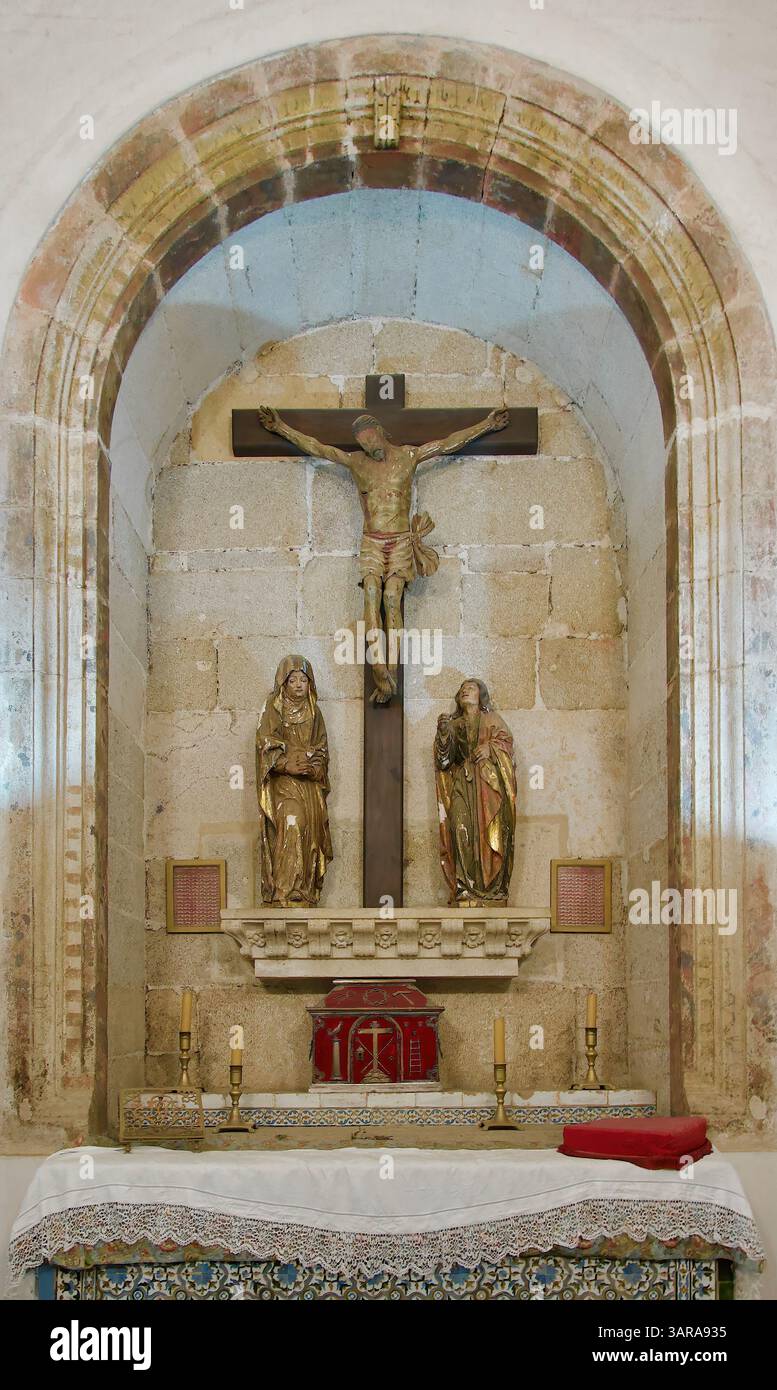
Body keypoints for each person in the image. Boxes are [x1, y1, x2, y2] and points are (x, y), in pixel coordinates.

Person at [258, 404, 508, 702]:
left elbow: (446, 444)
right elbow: (319, 448)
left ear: (380, 433)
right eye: (363, 444)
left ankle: (390, 671)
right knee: (371, 592)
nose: (368, 448)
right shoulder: (356, 463)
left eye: (371, 441)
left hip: (401, 539)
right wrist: (280, 428)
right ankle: (378, 667)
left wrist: (487, 425)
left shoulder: (408, 457)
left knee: (392, 598)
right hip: (372, 541)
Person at [256, 655, 332, 905]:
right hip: (284, 784)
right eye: (293, 679)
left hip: (309, 785)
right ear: (284, 682)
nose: (299, 684)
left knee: (310, 832)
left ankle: (304, 889)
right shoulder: (273, 707)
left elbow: (321, 748)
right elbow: (265, 743)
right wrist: (286, 763)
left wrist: (315, 767)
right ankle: (284, 890)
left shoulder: (314, 711)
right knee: (292, 822)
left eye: (304, 679)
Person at [434, 678, 517, 905]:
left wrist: (490, 748)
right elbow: (444, 761)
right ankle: (464, 886)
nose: (465, 692)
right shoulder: (455, 724)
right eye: (461, 690)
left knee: (490, 831)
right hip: (463, 784)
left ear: (481, 695)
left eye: (470, 688)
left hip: (488, 789)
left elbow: (507, 745)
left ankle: (490, 888)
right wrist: (443, 733)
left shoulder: (492, 719)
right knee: (459, 828)